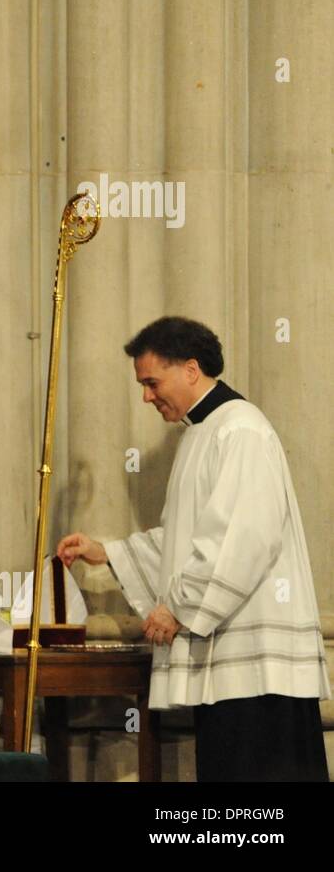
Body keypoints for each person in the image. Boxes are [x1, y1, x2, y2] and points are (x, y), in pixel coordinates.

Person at [58, 316, 329, 781]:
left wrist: (180, 606)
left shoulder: (240, 429)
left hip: (257, 665)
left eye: (151, 382)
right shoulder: (200, 433)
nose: (146, 396)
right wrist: (108, 552)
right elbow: (189, 537)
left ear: (190, 368)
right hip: (228, 664)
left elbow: (244, 537)